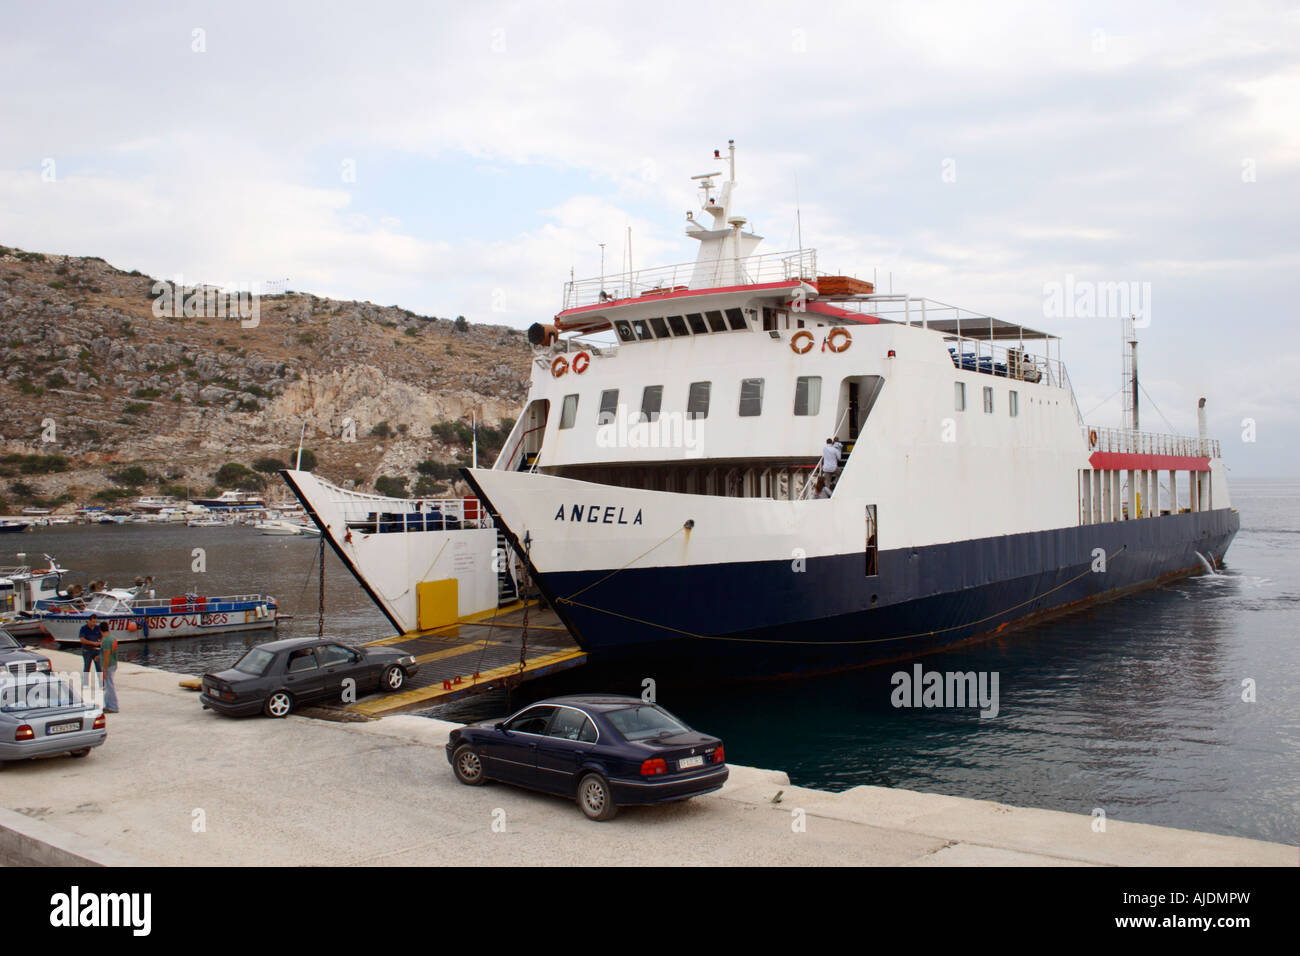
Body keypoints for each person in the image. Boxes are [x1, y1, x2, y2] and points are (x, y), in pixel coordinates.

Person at [99, 622, 119, 713]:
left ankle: (113, 707)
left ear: (100, 630)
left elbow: (107, 655)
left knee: (109, 686)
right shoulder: (112, 638)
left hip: (108, 665)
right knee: (108, 686)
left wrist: (104, 669)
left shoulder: (106, 640)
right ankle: (108, 705)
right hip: (114, 663)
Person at [79, 614, 103, 683]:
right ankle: (85, 683)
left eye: (95, 622)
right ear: (89, 621)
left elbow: (102, 637)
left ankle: (101, 683)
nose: (94, 623)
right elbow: (82, 639)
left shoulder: (98, 628)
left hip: (97, 651)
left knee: (99, 667)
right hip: (87, 650)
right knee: (87, 667)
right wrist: (93, 643)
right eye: (93, 622)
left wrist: (101, 642)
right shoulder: (84, 628)